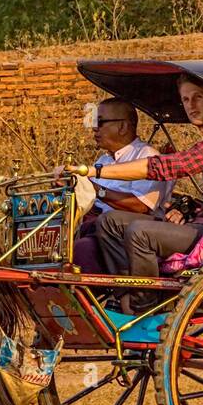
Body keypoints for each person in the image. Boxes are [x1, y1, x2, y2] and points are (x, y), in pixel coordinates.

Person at [94, 73, 203, 310]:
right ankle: (125, 292)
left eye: (198, 98)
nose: (191, 106)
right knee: (109, 222)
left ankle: (145, 305)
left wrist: (94, 172)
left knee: (139, 231)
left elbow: (176, 166)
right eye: (185, 100)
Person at [72, 98, 171, 274]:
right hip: (97, 228)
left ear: (123, 127)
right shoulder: (104, 160)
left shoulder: (147, 156)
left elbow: (142, 206)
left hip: (130, 232)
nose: (95, 128)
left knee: (82, 250)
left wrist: (97, 190)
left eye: (100, 122)